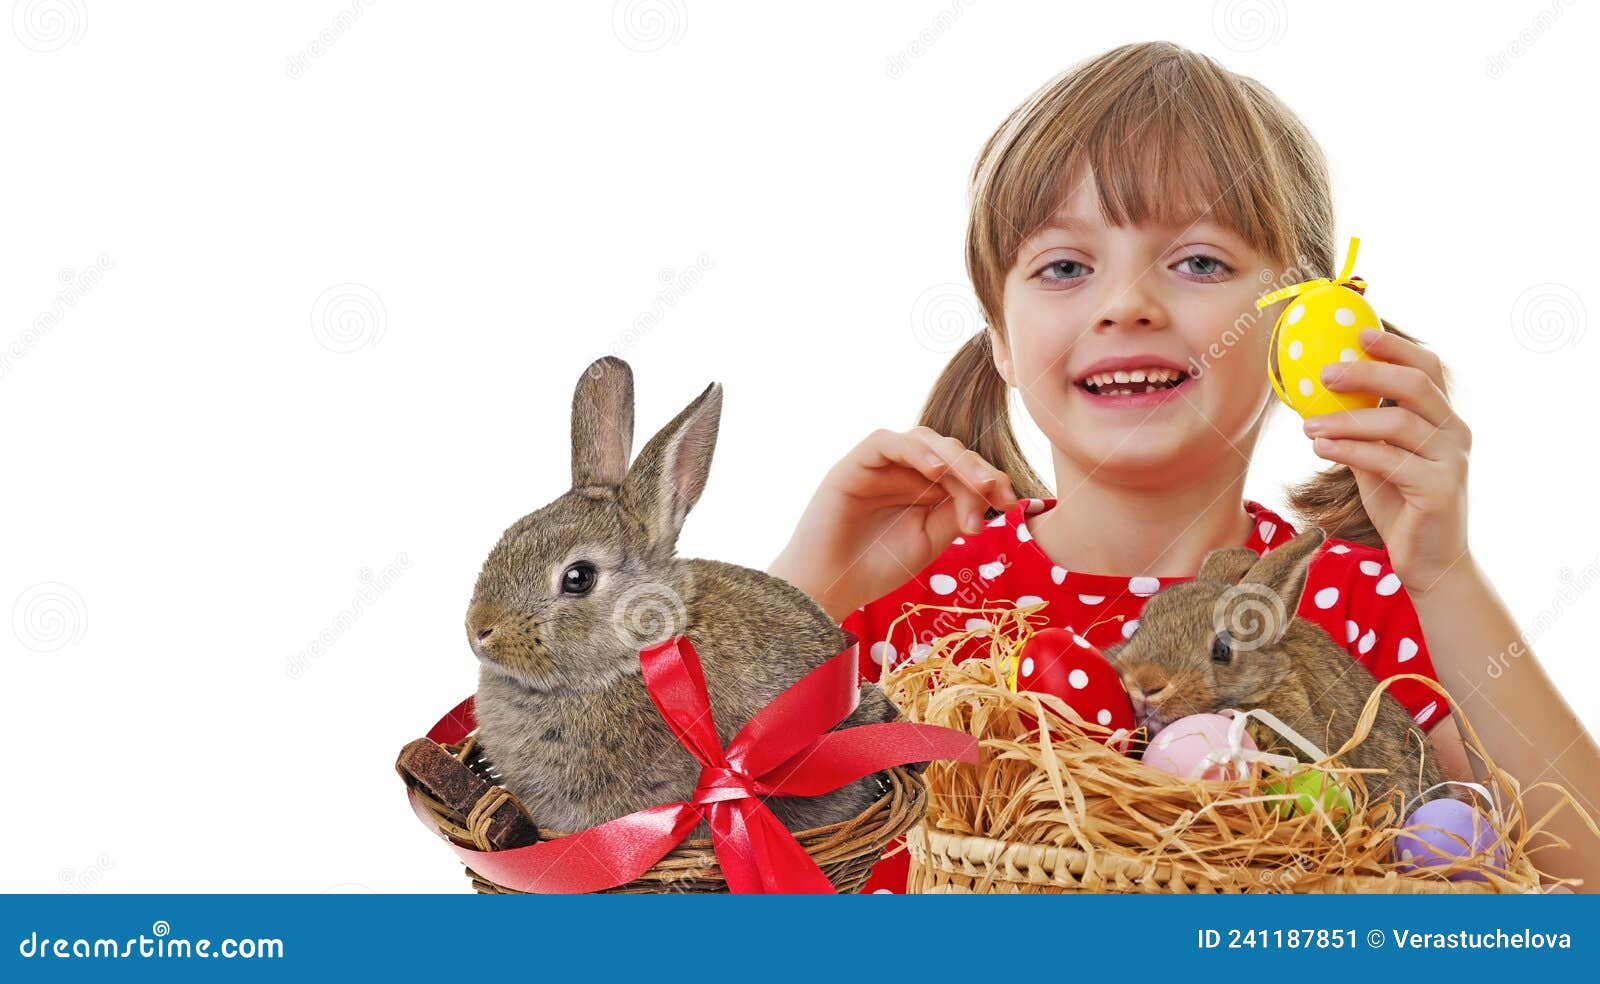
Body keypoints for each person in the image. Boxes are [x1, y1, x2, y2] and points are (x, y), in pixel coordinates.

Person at [769, 41, 1600, 892]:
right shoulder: (902, 606)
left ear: (1300, 324)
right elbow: (655, 863)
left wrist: (1446, 577)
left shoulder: (1359, 604)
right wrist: (804, 591)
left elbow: (1581, 889)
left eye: (1200, 262)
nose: (1128, 305)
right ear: (1001, 344)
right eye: (1065, 267)